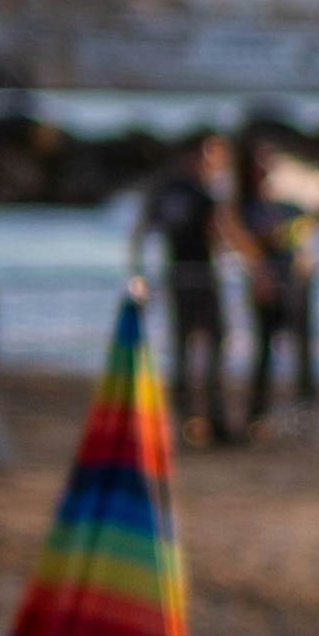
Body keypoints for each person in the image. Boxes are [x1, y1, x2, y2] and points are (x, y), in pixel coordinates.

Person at [142, 131, 241, 446]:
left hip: (178, 275)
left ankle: (186, 421)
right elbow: (221, 234)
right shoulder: (201, 190)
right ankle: (208, 419)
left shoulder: (163, 188)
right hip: (199, 276)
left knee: (185, 349)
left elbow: (143, 229)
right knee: (209, 344)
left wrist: (137, 271)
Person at [234, 111, 319, 429]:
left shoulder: (288, 198)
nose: (267, 165)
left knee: (302, 352)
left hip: (297, 282)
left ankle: (304, 415)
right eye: (261, 159)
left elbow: (313, 224)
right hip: (266, 285)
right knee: (264, 352)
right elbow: (241, 242)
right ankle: (258, 416)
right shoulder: (242, 204)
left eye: (270, 158)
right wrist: (261, 272)